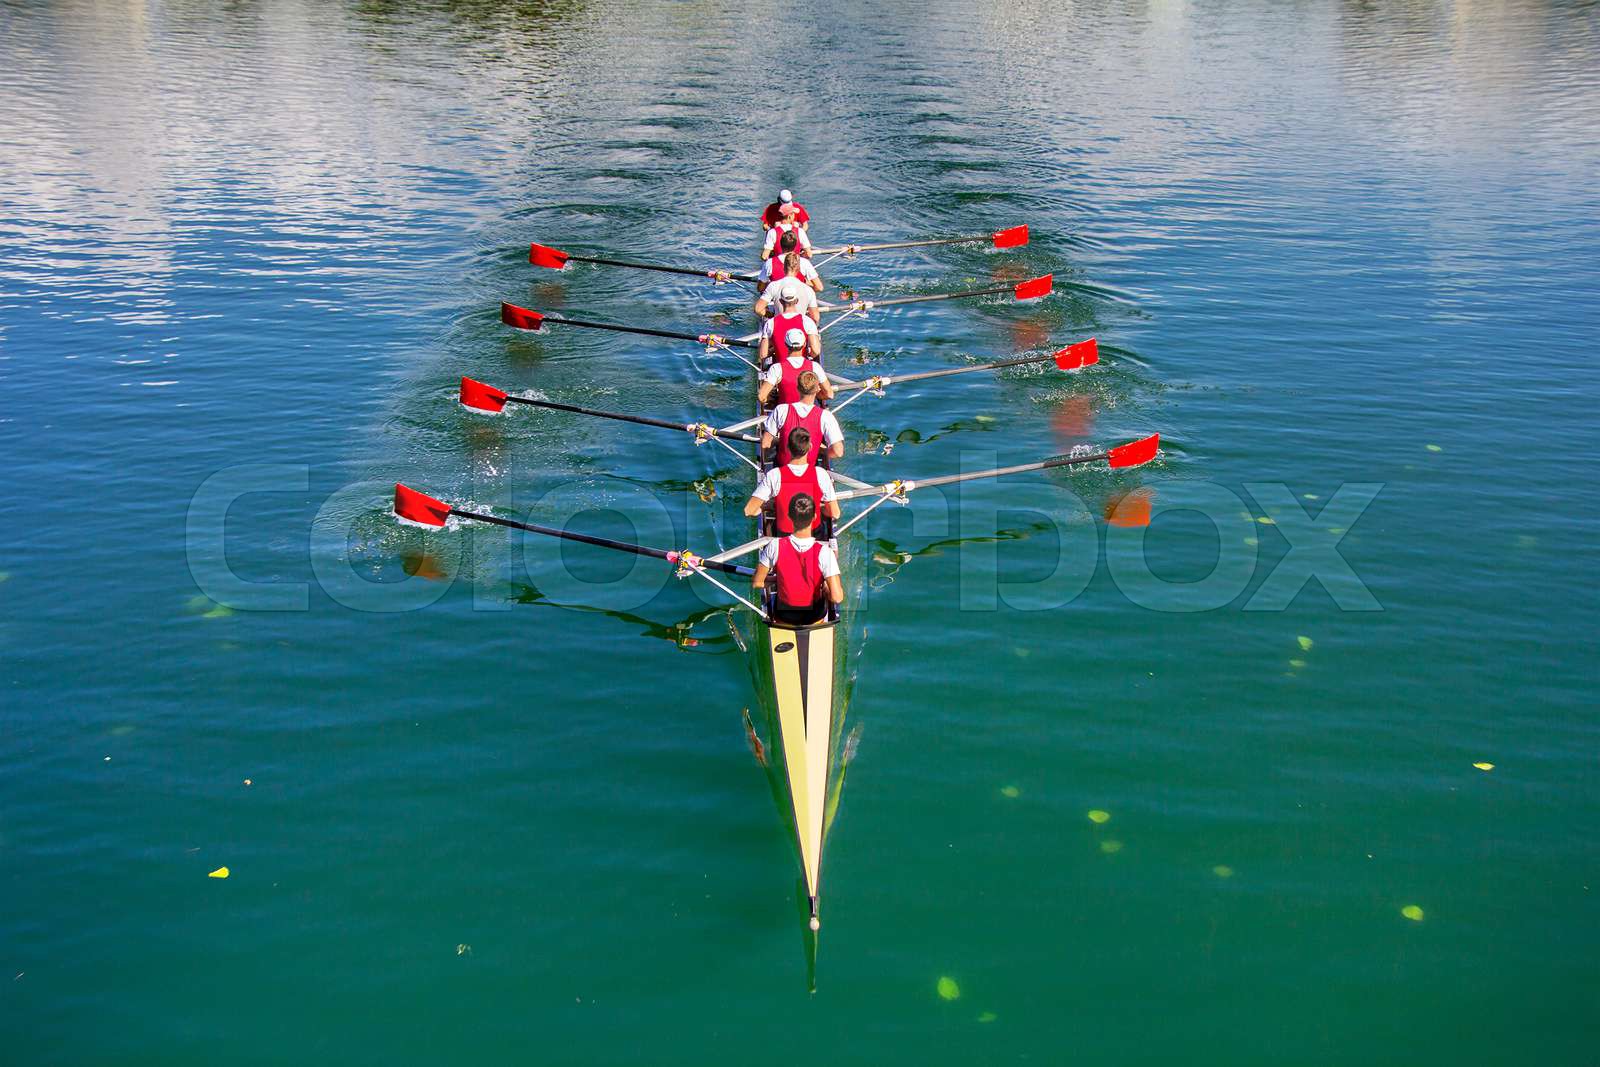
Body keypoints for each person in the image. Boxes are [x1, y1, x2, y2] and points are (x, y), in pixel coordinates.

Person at [750, 492, 844, 626]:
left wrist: (778, 581)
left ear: (789, 517)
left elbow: (757, 583)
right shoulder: (825, 553)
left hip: (784, 617)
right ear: (815, 517)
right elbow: (837, 597)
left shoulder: (774, 545)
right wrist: (825, 588)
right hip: (815, 618)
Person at [744, 427, 841, 535]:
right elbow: (835, 513)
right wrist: (815, 507)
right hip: (813, 534)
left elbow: (749, 510)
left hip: (784, 536)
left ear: (788, 448)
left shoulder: (774, 475)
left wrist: (772, 506)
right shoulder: (821, 474)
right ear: (810, 447)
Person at [763, 371, 844, 466]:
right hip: (810, 471)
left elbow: (765, 443)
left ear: (798, 388)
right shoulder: (826, 416)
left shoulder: (781, 410)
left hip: (782, 470)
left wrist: (781, 441)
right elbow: (838, 452)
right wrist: (820, 450)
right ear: (818, 389)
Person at [757, 289, 822, 362]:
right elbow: (816, 351)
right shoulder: (807, 321)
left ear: (781, 301)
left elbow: (763, 354)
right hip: (804, 370)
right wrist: (808, 355)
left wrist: (774, 350)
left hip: (780, 369)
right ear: (797, 301)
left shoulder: (770, 323)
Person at [759, 343, 833, 407]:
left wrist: (769, 400)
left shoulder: (777, 368)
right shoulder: (815, 366)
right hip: (811, 415)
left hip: (785, 414)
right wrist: (815, 394)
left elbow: (761, 397)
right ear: (804, 344)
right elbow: (829, 394)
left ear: (785, 344)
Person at [758, 231, 824, 292]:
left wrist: (771, 285)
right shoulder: (805, 262)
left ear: (780, 244)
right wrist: (806, 286)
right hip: (798, 299)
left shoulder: (769, 263)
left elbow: (760, 288)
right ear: (796, 246)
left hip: (777, 300)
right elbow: (819, 288)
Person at [754, 274, 820, 324]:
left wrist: (771, 316)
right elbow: (815, 318)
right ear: (797, 301)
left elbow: (758, 309)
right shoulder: (807, 325)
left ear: (781, 301)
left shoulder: (771, 325)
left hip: (777, 322)